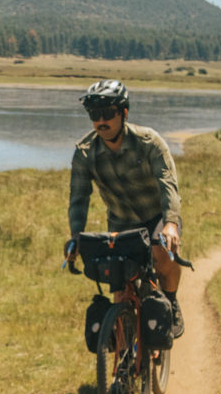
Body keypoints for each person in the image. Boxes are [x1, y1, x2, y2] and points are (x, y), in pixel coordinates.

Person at [64, 79, 185, 337]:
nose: (100, 121)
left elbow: (168, 185)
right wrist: (75, 236)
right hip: (121, 222)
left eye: (108, 113)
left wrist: (171, 224)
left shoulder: (149, 142)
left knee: (163, 253)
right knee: (119, 290)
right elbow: (79, 198)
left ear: (124, 113)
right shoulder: (85, 152)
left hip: (157, 216)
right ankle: (126, 361)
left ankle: (172, 301)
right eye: (94, 115)